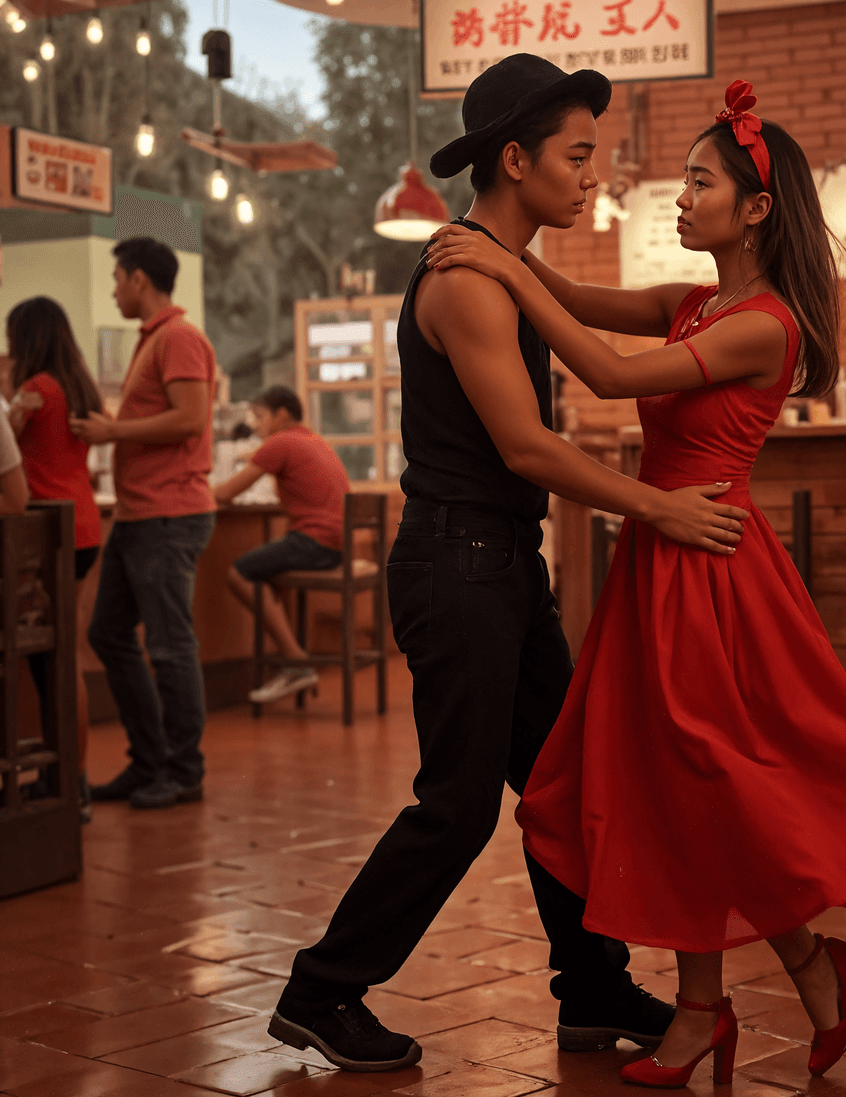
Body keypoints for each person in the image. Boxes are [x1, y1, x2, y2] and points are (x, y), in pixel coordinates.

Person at [424, 79, 846, 1087]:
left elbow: (603, 369)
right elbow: (578, 304)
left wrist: (494, 261)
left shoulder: (766, 325)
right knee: (671, 782)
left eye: (697, 180)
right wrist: (498, 254)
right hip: (658, 556)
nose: (676, 196)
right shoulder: (691, 304)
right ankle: (767, 982)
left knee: (709, 776)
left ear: (756, 208)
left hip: (712, 561)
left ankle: (738, 993)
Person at [269, 54, 752, 1075]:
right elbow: (530, 448)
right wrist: (657, 505)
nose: (592, 177)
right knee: (459, 804)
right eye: (579, 157)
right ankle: (323, 988)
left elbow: (587, 351)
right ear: (516, 158)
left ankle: (590, 988)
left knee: (563, 787)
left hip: (500, 567)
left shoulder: (505, 269)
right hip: (458, 566)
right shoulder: (465, 280)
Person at [71, 237, 217, 811]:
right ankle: (149, 759)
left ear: (139, 279)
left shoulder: (179, 337)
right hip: (141, 513)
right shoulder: (155, 340)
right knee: (108, 633)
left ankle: (183, 769)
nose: (112, 289)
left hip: (169, 513)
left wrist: (112, 433)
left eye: (116, 278)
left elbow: (189, 418)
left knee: (169, 645)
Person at [6, 297, 103, 822]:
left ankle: (68, 782)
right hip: (84, 525)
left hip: (46, 534)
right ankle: (75, 778)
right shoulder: (79, 387)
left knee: (57, 662)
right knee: (67, 653)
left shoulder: (34, 392)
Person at [213, 384, 350, 703]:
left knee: (240, 574)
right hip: (333, 542)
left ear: (282, 415)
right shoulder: (311, 439)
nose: (256, 424)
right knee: (265, 572)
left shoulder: (281, 442)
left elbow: (223, 494)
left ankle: (296, 662)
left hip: (315, 541)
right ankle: (293, 660)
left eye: (260, 416)